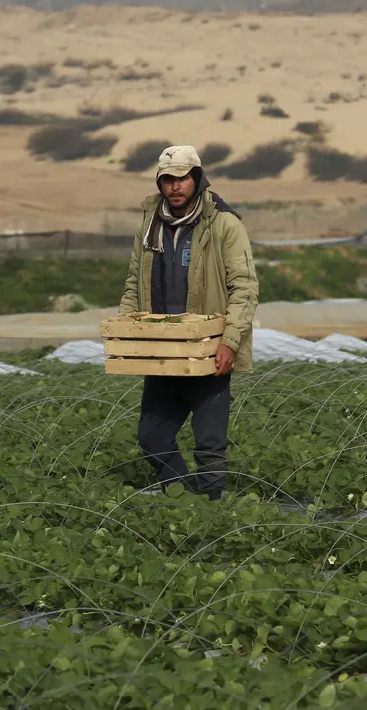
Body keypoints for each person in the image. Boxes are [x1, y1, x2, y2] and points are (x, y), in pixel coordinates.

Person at [118, 145, 259, 501]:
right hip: (163, 350)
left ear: (197, 179)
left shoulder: (224, 224)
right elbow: (134, 283)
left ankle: (209, 510)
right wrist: (125, 331)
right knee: (152, 437)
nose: (175, 186)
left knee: (209, 444)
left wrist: (230, 341)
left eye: (182, 178)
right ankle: (183, 498)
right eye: (168, 179)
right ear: (160, 183)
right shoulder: (149, 225)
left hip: (208, 349)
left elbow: (245, 287)